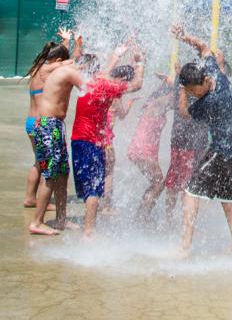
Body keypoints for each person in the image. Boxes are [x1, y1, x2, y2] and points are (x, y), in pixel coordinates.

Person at [172, 25, 232, 257]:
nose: (196, 95)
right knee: (228, 197)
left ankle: (185, 247)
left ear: (202, 83)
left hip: (222, 151)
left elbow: (184, 113)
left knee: (191, 193)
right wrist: (185, 37)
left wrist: (182, 89)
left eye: (195, 91)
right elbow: (204, 47)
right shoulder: (214, 71)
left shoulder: (210, 102)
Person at [71, 50, 145, 238]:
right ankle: (89, 232)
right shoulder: (107, 87)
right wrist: (141, 63)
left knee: (88, 186)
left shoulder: (90, 81)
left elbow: (106, 73)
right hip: (92, 142)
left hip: (77, 139)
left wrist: (115, 56)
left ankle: (89, 228)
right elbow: (137, 84)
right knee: (94, 188)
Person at [24, 28, 82, 208]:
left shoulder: (39, 68)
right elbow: (72, 62)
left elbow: (60, 60)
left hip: (31, 121)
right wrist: (78, 44)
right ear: (56, 60)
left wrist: (66, 42)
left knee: (39, 162)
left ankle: (31, 197)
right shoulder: (48, 70)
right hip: (42, 122)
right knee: (46, 164)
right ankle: (38, 199)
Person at [28, 56, 85, 235]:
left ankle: (61, 219)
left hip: (55, 126)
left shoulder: (65, 69)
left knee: (62, 173)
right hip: (48, 125)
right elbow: (89, 88)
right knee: (50, 175)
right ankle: (37, 222)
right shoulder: (68, 72)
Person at [162, 66, 209, 222]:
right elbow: (183, 112)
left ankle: (180, 221)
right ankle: (174, 220)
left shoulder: (188, 85)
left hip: (193, 143)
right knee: (181, 183)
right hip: (184, 143)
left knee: (186, 182)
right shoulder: (186, 88)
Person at [127, 80, 173, 222]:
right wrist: (177, 81)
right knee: (159, 183)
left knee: (156, 183)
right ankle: (141, 218)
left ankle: (141, 215)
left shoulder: (155, 105)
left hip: (144, 149)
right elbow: (172, 97)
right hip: (142, 149)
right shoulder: (156, 104)